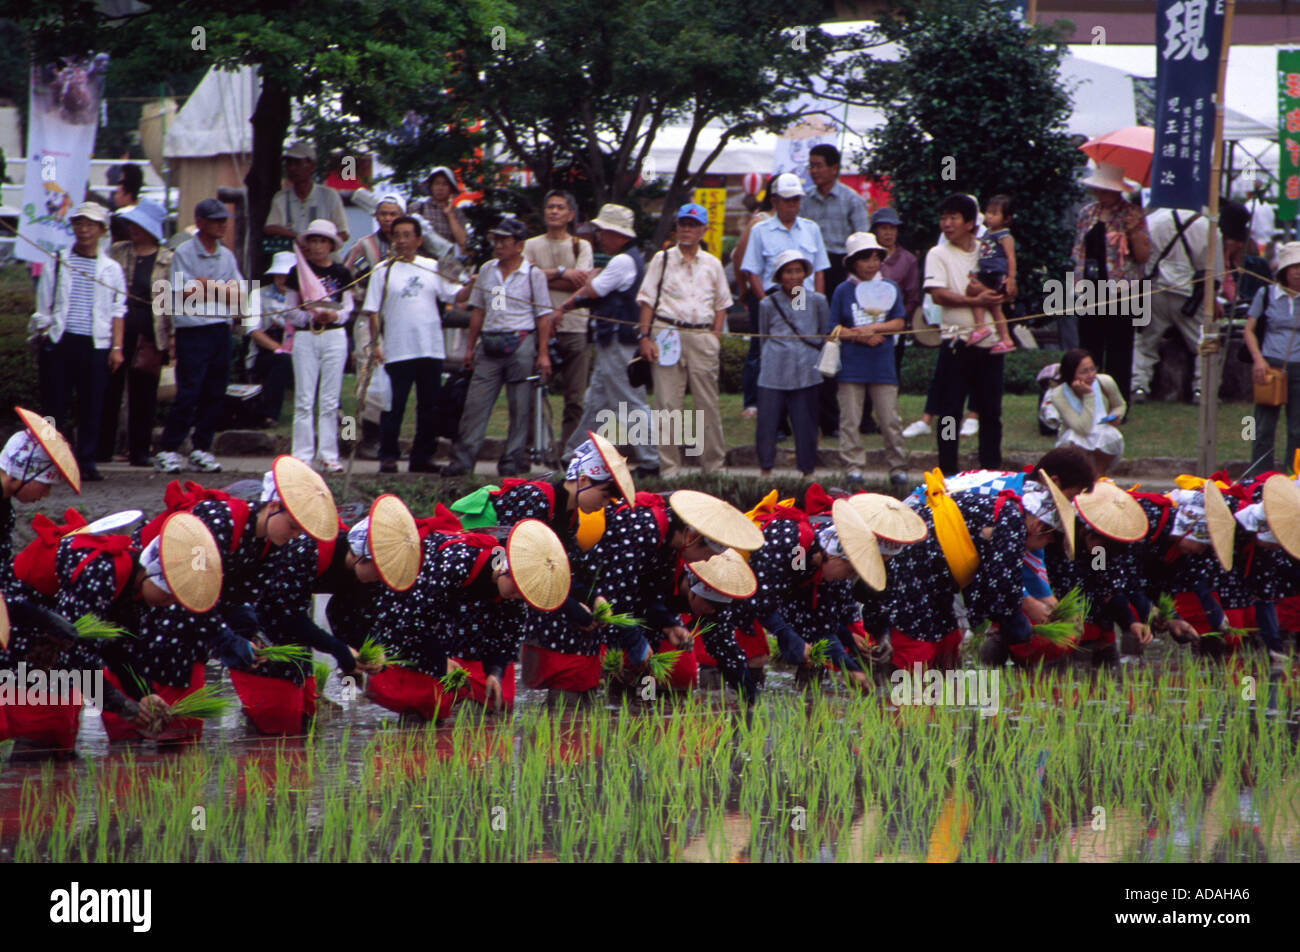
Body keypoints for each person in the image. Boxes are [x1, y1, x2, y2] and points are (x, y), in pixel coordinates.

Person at [554, 204, 659, 477]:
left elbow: (592, 290)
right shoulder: (628, 259)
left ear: (619, 234)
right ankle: (573, 454)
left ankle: (651, 460)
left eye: (604, 231)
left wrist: (566, 304)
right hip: (610, 341)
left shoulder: (622, 261)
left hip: (618, 342)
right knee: (596, 401)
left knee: (629, 401)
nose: (600, 236)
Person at [444, 217, 552, 478]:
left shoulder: (533, 275)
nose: (499, 245)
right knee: (475, 405)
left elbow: (544, 315)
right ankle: (462, 461)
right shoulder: (487, 270)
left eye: (505, 240)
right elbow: (478, 310)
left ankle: (512, 462)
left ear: (519, 245)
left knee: (520, 405)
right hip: (489, 341)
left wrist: (543, 352)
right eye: (497, 240)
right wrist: (470, 348)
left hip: (521, 341)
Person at [29, 201, 126, 482]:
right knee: (53, 405)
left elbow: (119, 310)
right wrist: (45, 331)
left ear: (101, 230)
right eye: (79, 224)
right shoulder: (58, 260)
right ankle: (49, 456)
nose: (84, 230)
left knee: (91, 404)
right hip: (61, 340)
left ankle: (85, 459)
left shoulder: (111, 269)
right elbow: (44, 303)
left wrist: (116, 347)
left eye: (90, 225)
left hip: (95, 343)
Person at [635, 202, 731, 475]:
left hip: (702, 333)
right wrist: (644, 337)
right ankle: (669, 470)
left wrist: (715, 336)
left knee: (707, 404)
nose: (686, 229)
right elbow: (647, 300)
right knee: (666, 404)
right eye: (683, 224)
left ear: (703, 230)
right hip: (666, 331)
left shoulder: (712, 264)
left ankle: (714, 467)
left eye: (692, 225)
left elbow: (722, 303)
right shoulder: (661, 259)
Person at [154, 198, 245, 475]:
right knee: (189, 391)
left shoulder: (227, 256)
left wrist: (207, 286)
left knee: (215, 392)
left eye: (224, 220)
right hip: (192, 331)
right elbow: (181, 293)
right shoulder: (183, 252)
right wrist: (218, 291)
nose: (222, 225)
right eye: (216, 220)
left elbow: (240, 295)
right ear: (201, 223)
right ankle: (168, 449)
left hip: (220, 329)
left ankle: (201, 449)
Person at [363, 215, 459, 474]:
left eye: (408, 235)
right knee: (393, 405)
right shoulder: (383, 270)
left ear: (418, 240)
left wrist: (469, 280)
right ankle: (388, 455)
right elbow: (372, 311)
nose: (402, 240)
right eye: (398, 235)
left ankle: (422, 457)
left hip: (430, 347)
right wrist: (376, 343)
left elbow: (454, 293)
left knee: (429, 407)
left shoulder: (431, 266)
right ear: (391, 239)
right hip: (397, 349)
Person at [924, 193, 1006, 476]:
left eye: (953, 218)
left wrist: (1001, 292)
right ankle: (947, 471)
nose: (946, 224)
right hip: (957, 344)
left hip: (990, 344)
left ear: (970, 222)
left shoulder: (987, 249)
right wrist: (973, 302)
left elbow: (1005, 283)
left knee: (990, 413)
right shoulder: (938, 254)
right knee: (949, 413)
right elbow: (937, 294)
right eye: (943, 218)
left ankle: (991, 470)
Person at [802, 145, 870, 440]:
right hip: (812, 274)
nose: (814, 171)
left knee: (852, 340)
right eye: (811, 165)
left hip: (845, 273)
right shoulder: (804, 201)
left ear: (834, 168)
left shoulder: (851, 200)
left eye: (819, 165)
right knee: (819, 341)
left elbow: (864, 244)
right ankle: (823, 417)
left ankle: (862, 417)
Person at [1070, 163, 1151, 406]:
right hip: (1090, 288)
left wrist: (1133, 232)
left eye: (1105, 190)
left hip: (1121, 292)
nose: (1100, 195)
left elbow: (1144, 256)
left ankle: (1117, 404)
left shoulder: (1133, 214)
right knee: (1089, 348)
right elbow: (1078, 249)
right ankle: (1088, 400)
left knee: (1119, 349)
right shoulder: (1087, 213)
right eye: (1098, 190)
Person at [832, 232, 907, 485]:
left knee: (890, 419)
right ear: (853, 262)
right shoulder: (843, 290)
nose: (872, 263)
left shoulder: (890, 288)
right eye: (865, 258)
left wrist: (875, 329)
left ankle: (897, 466)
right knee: (850, 420)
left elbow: (899, 322)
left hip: (882, 365)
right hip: (851, 365)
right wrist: (859, 336)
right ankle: (852, 466)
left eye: (876, 257)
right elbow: (832, 329)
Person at [100, 199, 171, 467]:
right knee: (109, 390)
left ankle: (139, 450)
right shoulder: (118, 252)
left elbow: (166, 303)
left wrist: (170, 338)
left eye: (139, 225)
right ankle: (102, 447)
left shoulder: (166, 259)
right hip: (117, 329)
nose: (133, 229)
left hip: (150, 333)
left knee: (144, 395)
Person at [525, 190, 595, 448]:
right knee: (535, 393)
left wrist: (543, 276)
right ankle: (538, 448)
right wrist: (565, 273)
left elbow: (585, 284)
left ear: (571, 214)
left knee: (575, 397)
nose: (554, 211)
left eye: (560, 207)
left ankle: (570, 451)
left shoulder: (581, 245)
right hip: (537, 325)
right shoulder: (531, 244)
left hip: (575, 326)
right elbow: (525, 279)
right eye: (550, 206)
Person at [285, 220, 353, 472]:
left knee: (330, 398)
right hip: (306, 335)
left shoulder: (341, 272)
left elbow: (347, 307)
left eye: (322, 241)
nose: (317, 246)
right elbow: (291, 309)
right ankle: (302, 454)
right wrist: (309, 318)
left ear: (330, 245)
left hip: (334, 335)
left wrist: (334, 316)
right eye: (313, 241)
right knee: (304, 397)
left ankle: (328, 454)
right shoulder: (297, 271)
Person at [1132, 206, 1219, 404]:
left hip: (1155, 288)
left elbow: (1143, 260)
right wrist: (1213, 296)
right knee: (1204, 343)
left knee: (1145, 342)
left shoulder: (1152, 220)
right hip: (1189, 293)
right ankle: (1202, 389)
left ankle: (1138, 385)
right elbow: (1214, 269)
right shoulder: (1207, 224)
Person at [755, 249, 829, 477]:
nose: (794, 276)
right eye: (789, 271)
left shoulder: (817, 301)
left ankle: (807, 470)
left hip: (806, 369)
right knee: (767, 423)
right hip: (773, 370)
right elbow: (763, 336)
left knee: (805, 424)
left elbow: (822, 333)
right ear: (779, 275)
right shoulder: (768, 304)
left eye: (798, 270)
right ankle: (766, 468)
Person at [345, 192, 407, 458]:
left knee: (397, 379)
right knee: (368, 374)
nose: (388, 219)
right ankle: (367, 438)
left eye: (393, 214)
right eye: (384, 214)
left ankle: (388, 439)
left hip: (399, 319)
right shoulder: (364, 247)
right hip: (368, 317)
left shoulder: (409, 245)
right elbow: (348, 279)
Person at [1244, 242, 1300, 474]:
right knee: (1262, 426)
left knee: (1297, 428)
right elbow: (1249, 329)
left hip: (1299, 366)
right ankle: (1260, 475)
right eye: (1293, 267)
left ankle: (1295, 475)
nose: (1297, 272)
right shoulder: (1266, 294)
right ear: (1284, 271)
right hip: (1270, 365)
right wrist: (1258, 359)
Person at [1047, 348, 1126, 475]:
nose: (1091, 375)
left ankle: (1098, 477)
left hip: (1101, 432)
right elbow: (1082, 428)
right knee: (1075, 439)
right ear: (1071, 374)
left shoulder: (1104, 382)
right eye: (1084, 372)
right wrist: (1089, 395)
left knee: (1109, 436)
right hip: (1076, 435)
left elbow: (1119, 404)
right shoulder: (1058, 394)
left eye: (1092, 369)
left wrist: (1115, 416)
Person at [733, 187, 773, 418]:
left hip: (797, 295)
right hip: (763, 293)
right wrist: (744, 289)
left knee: (791, 344)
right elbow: (739, 256)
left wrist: (805, 303)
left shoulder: (805, 226)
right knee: (759, 345)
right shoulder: (759, 221)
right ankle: (752, 401)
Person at [245, 251, 298, 426]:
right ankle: (270, 415)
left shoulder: (302, 296)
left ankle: (339, 415)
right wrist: (280, 348)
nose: (283, 279)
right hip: (267, 350)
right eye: (279, 275)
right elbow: (253, 330)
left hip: (299, 346)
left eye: (287, 276)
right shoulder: (258, 295)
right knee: (282, 360)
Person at [262, 141, 349, 247]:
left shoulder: (329, 196)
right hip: (292, 259)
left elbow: (343, 233)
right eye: (289, 163)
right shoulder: (281, 198)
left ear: (312, 166)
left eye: (297, 163)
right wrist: (297, 237)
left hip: (324, 260)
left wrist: (321, 246)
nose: (292, 168)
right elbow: (270, 227)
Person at [967, 194, 1017, 354]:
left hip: (995, 274)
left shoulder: (1004, 235)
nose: (989, 216)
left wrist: (1011, 278)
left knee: (973, 292)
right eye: (988, 212)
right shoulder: (988, 233)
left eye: (994, 213)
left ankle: (982, 327)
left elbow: (1011, 257)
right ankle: (1005, 339)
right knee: (995, 307)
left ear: (1006, 218)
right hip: (986, 273)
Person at [411, 166, 469, 254]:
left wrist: (450, 214)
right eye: (436, 184)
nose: (440, 188)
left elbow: (462, 242)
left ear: (451, 188)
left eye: (445, 184)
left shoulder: (457, 213)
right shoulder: (418, 208)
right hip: (422, 262)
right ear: (430, 187)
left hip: (447, 263)